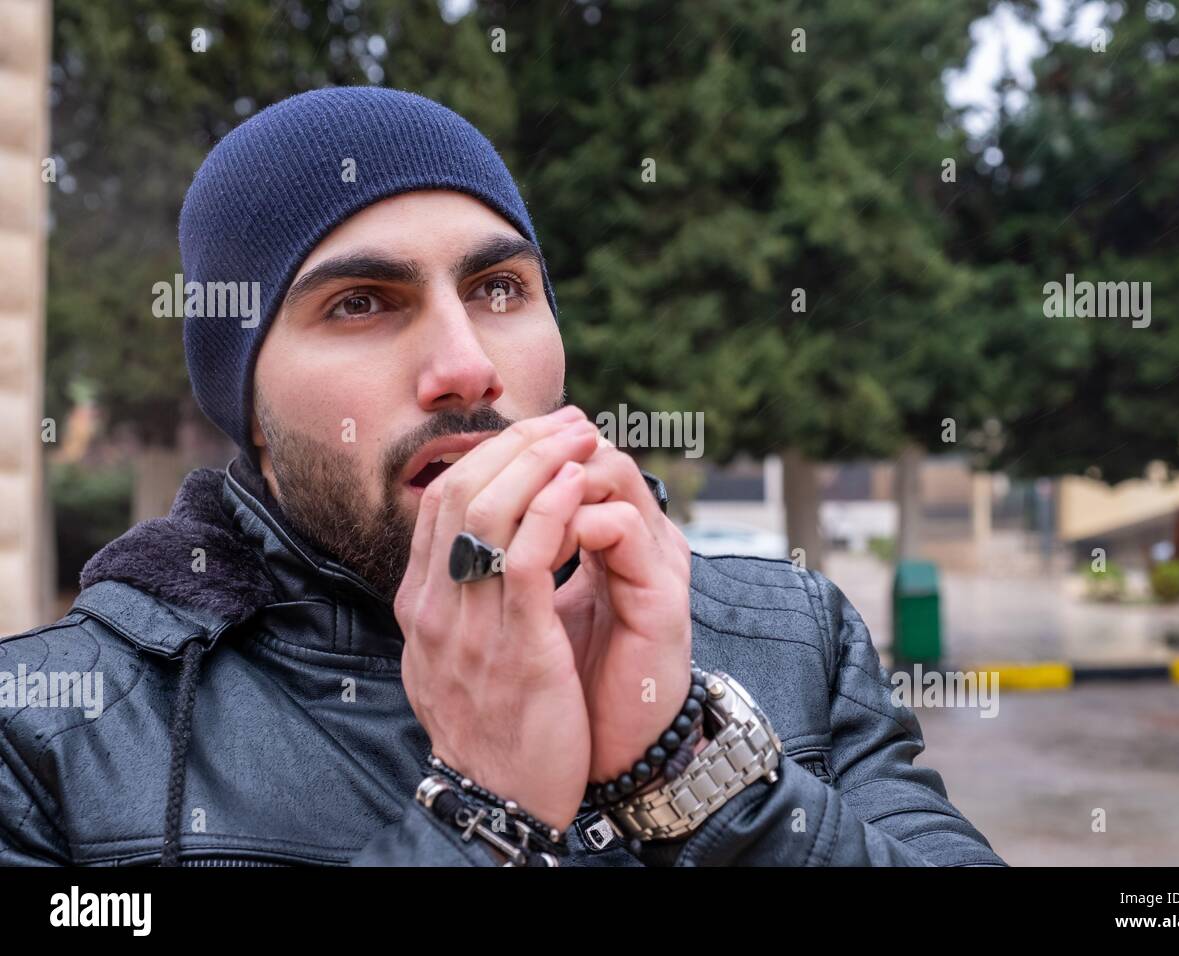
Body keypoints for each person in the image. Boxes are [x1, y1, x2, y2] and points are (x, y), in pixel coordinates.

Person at [0, 87, 1003, 867]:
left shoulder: (791, 638)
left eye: (498, 287)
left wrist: (692, 770)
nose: (466, 362)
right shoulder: (52, 732)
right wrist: (477, 814)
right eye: (360, 302)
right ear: (246, 406)